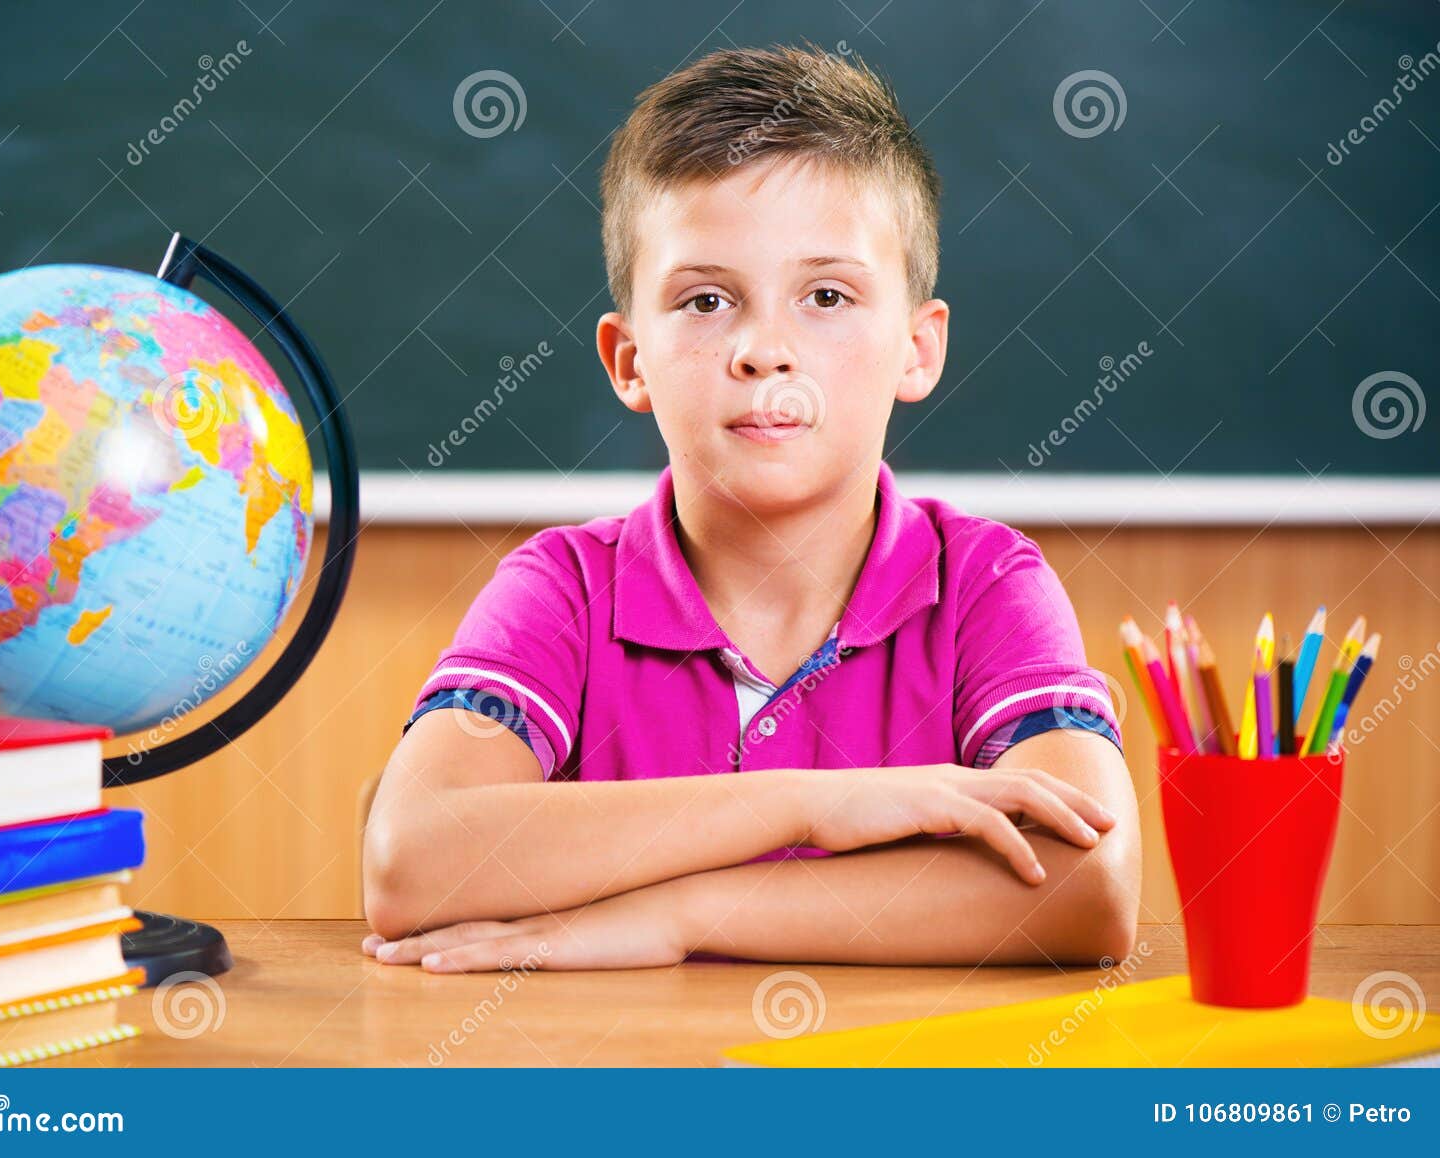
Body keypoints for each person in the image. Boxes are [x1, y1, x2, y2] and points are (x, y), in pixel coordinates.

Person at [362, 45, 1140, 972]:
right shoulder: (563, 590)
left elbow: (1086, 888)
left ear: (917, 349)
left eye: (825, 295)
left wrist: (685, 913)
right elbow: (413, 864)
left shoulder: (983, 587)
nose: (764, 349)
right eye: (704, 300)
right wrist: (809, 806)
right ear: (628, 360)